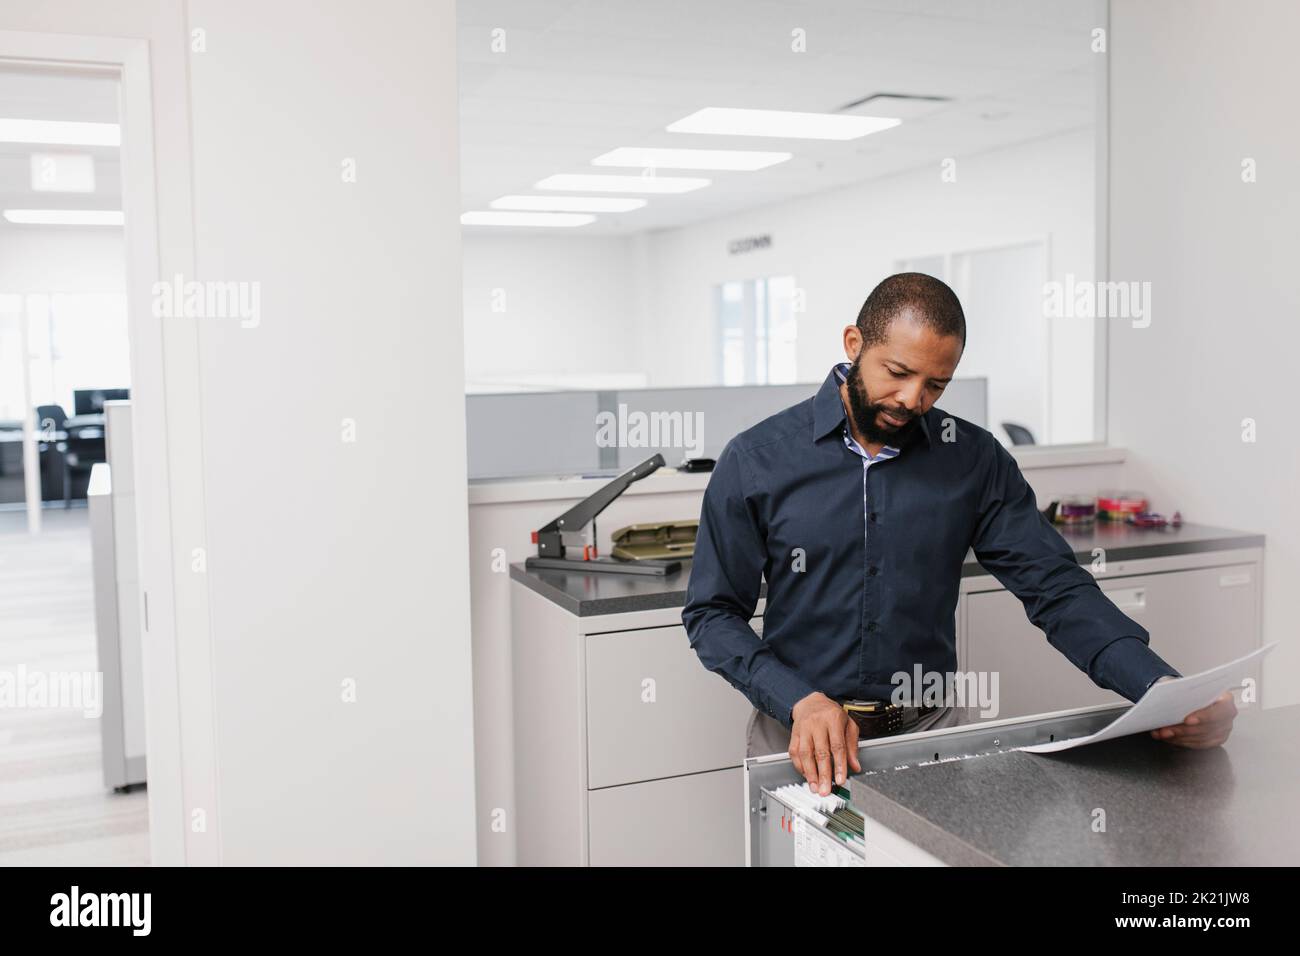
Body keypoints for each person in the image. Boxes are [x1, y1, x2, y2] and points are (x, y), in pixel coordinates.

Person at [681, 273, 1237, 796]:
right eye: (898, 373)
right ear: (854, 344)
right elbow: (712, 614)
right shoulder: (756, 459)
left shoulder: (973, 460)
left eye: (936, 385)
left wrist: (1162, 691)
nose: (913, 400)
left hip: (932, 734)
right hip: (800, 737)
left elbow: (1056, 588)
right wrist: (797, 699)